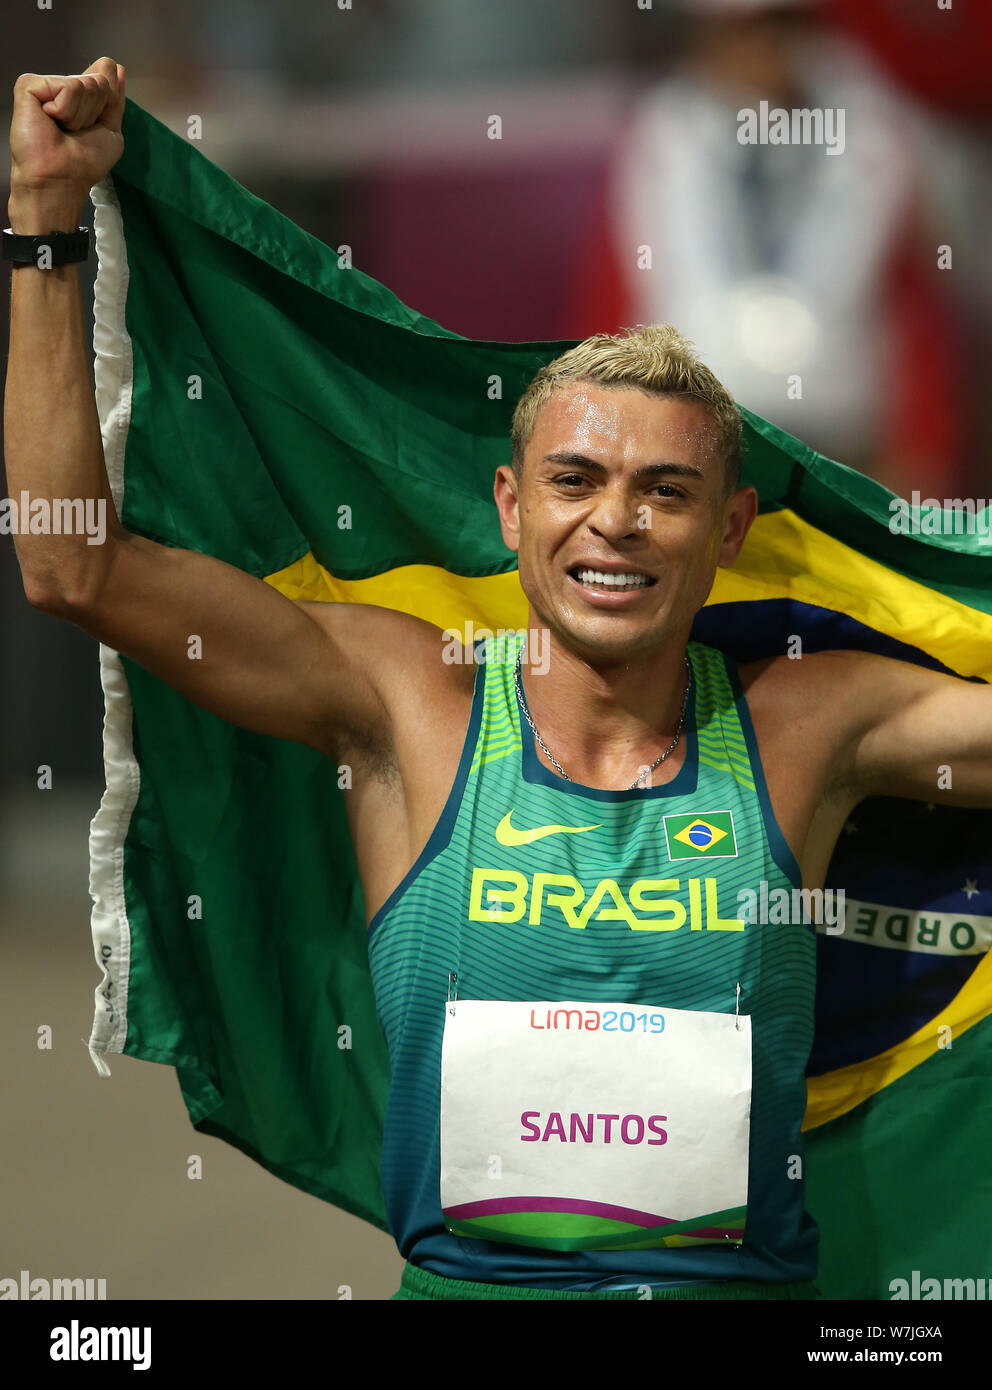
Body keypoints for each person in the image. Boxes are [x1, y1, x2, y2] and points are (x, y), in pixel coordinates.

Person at [6, 57, 990, 1301]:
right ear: (512, 511)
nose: (615, 524)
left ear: (729, 531)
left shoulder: (810, 723)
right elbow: (69, 565)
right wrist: (42, 227)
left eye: (664, 493)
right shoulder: (410, 708)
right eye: (575, 484)